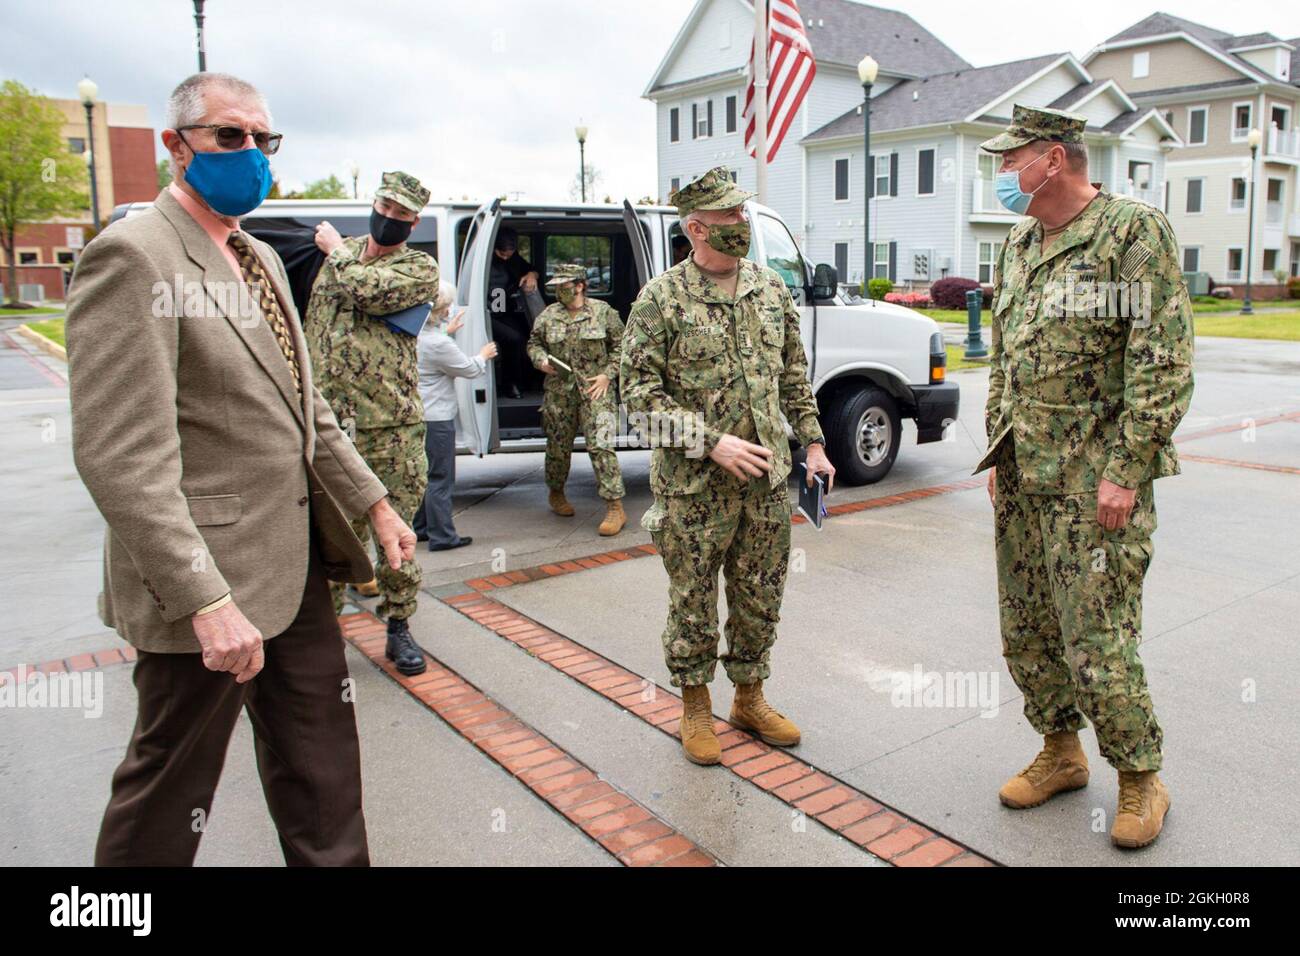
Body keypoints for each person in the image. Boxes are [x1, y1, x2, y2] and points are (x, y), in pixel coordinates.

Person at [66, 72, 415, 866]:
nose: (252, 152)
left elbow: (304, 409)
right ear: (177, 146)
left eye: (263, 138)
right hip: (204, 586)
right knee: (169, 790)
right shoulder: (135, 257)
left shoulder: (256, 257)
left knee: (323, 771)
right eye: (230, 136)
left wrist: (375, 504)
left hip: (293, 573)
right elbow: (121, 456)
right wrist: (206, 600)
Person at [973, 105, 1194, 849]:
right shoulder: (1019, 241)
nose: (1003, 174)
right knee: (1029, 628)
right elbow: (1005, 356)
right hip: (1023, 473)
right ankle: (1061, 752)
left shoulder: (1133, 233)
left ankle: (1140, 777)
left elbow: (1162, 361)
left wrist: (1125, 471)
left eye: (1011, 161)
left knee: (1097, 637)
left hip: (1093, 482)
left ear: (1053, 160)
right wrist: (998, 450)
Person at [620, 167, 835, 766]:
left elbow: (793, 377)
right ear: (696, 228)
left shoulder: (771, 289)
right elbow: (637, 398)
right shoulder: (660, 299)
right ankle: (695, 706)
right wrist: (711, 442)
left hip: (765, 484)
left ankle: (749, 698)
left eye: (743, 212)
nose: (742, 222)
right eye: (730, 215)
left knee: (759, 594)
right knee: (692, 599)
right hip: (694, 490)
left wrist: (814, 445)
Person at [303, 170, 437, 676]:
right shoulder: (333, 257)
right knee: (332, 535)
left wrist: (336, 251)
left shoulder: (417, 267)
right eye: (385, 207)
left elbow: (369, 291)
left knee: (395, 536)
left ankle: (399, 625)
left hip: (392, 428)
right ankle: (325, 634)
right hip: (331, 429)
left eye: (402, 214)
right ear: (374, 203)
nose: (389, 218)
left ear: (414, 222)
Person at [525, 263, 627, 536]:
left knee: (601, 447)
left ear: (580, 286)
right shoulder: (549, 315)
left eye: (564, 286)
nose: (559, 291)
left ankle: (615, 506)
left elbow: (623, 346)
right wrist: (540, 360)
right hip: (560, 392)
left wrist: (607, 375)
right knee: (558, 448)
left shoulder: (603, 312)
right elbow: (534, 343)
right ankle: (556, 492)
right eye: (556, 287)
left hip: (596, 392)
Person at [415, 280, 497, 550]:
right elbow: (468, 369)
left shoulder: (415, 335)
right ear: (438, 309)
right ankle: (443, 536)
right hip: (437, 418)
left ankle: (421, 528)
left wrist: (446, 331)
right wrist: (483, 355)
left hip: (419, 416)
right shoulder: (439, 344)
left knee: (425, 475)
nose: (450, 309)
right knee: (441, 478)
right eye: (447, 305)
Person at [487, 225, 538, 400]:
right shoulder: (485, 259)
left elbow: (533, 269)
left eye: (509, 254)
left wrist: (531, 275)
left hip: (504, 311)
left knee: (529, 335)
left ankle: (530, 381)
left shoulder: (513, 259)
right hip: (487, 314)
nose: (505, 258)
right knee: (514, 339)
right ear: (494, 248)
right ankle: (510, 384)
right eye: (502, 254)